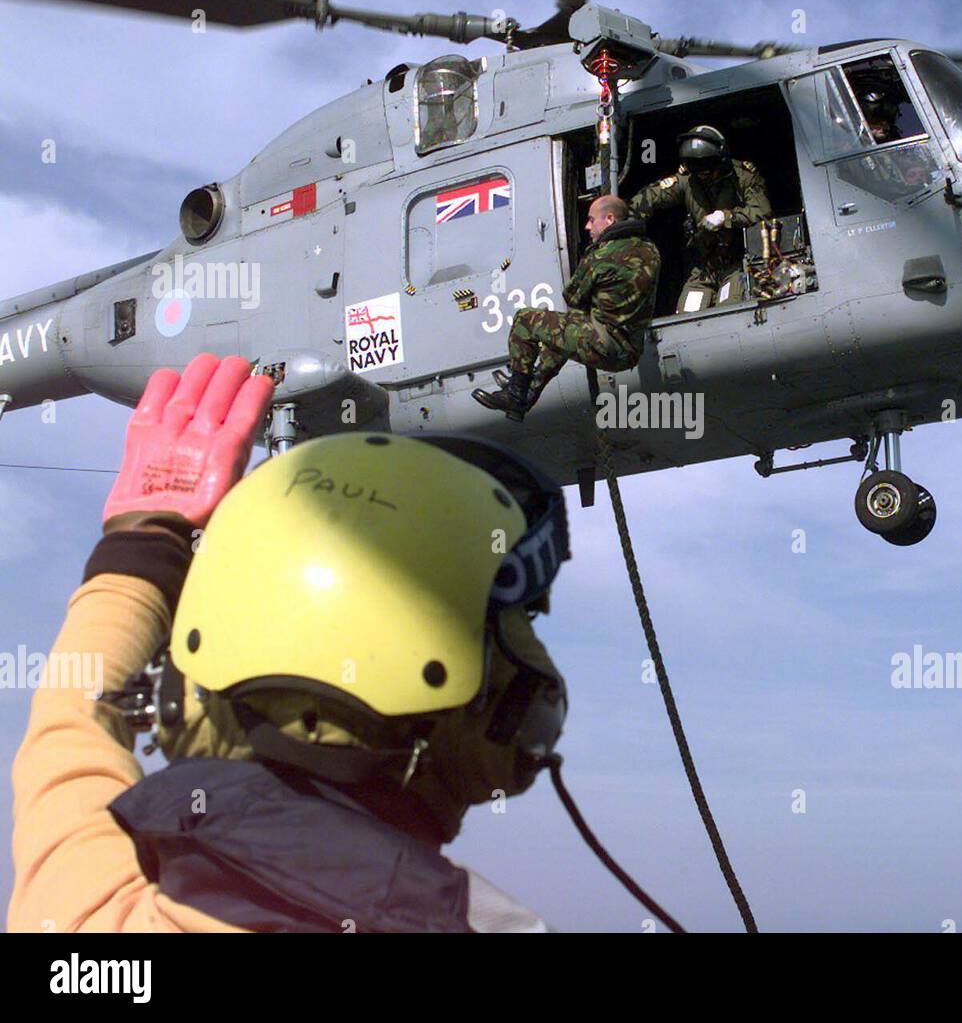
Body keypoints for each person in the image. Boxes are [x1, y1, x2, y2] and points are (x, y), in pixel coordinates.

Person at [8, 352, 570, 932]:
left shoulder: (82, 914)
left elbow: (68, 734)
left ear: (181, 694)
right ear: (510, 714)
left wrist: (144, 537)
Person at [473, 195, 660, 421]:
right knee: (562, 334)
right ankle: (525, 390)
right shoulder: (650, 251)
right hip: (630, 349)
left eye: (592, 220)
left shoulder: (601, 255)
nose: (587, 226)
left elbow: (571, 295)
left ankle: (515, 392)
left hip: (607, 346)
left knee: (526, 320)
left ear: (609, 220)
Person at [628, 125, 772, 312]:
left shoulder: (743, 176)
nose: (704, 175)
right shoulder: (688, 180)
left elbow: (762, 210)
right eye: (698, 169)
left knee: (730, 311)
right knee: (686, 316)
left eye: (707, 168)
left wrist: (727, 217)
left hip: (736, 263)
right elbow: (653, 196)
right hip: (702, 268)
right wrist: (624, 214)